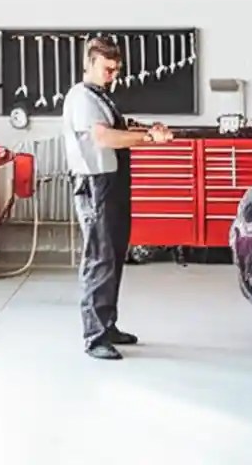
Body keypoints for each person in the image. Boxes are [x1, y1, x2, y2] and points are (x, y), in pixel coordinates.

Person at [62, 36, 173, 360]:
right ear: (90, 63)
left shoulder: (100, 97)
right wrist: (149, 138)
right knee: (99, 259)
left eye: (116, 70)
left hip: (112, 181)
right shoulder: (82, 97)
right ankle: (94, 336)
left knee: (113, 257)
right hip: (95, 185)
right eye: (108, 69)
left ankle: (107, 325)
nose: (113, 76)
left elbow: (116, 127)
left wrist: (145, 129)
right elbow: (103, 136)